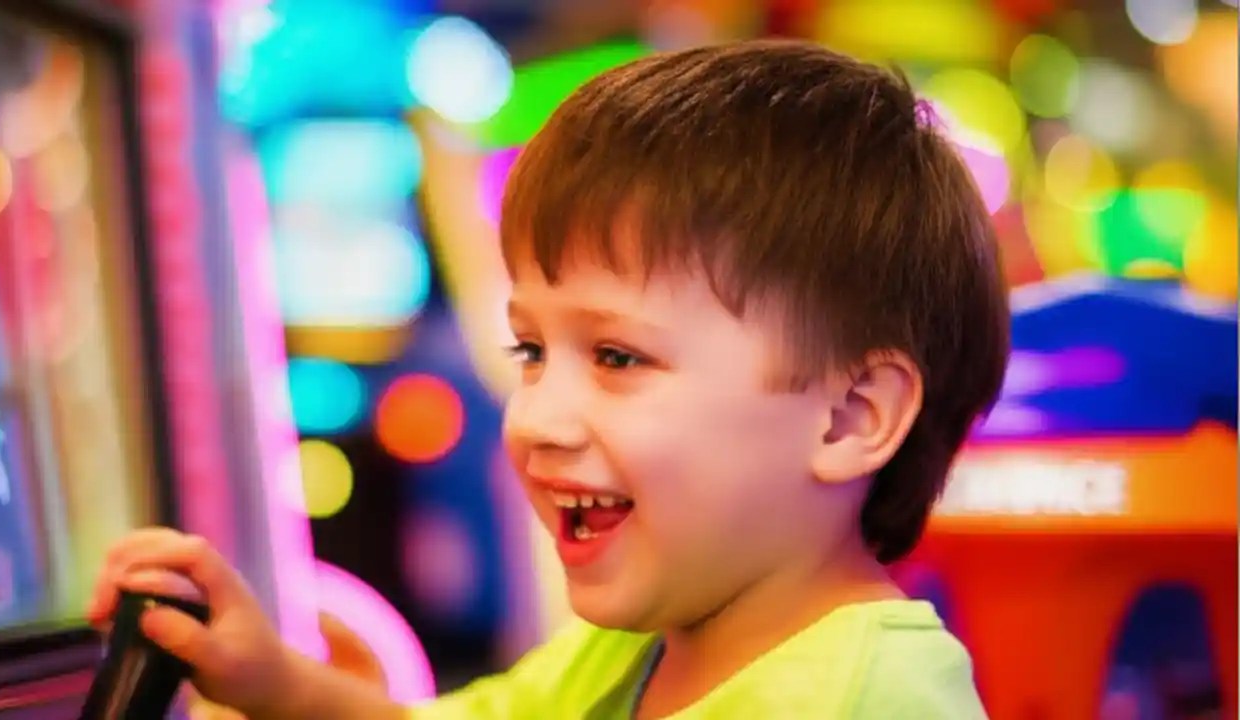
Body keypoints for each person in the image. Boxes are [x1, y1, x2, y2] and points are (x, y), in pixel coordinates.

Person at [90, 39, 1008, 719]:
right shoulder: (630, 650)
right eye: (532, 353)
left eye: (617, 357)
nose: (535, 420)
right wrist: (274, 681)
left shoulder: (871, 697)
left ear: (849, 418)